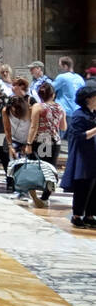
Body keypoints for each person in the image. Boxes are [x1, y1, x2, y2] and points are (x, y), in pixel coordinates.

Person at [59, 87, 96, 229]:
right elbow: (79, 136)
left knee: (94, 186)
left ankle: (90, 215)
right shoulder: (78, 115)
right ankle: (77, 216)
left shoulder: (93, 114)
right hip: (84, 156)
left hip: (94, 154)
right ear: (88, 99)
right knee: (83, 186)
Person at [26, 82, 67, 167]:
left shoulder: (38, 107)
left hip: (43, 140)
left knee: (39, 169)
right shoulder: (60, 108)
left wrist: (29, 143)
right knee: (50, 169)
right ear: (53, 95)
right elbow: (63, 127)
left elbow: (34, 126)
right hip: (55, 141)